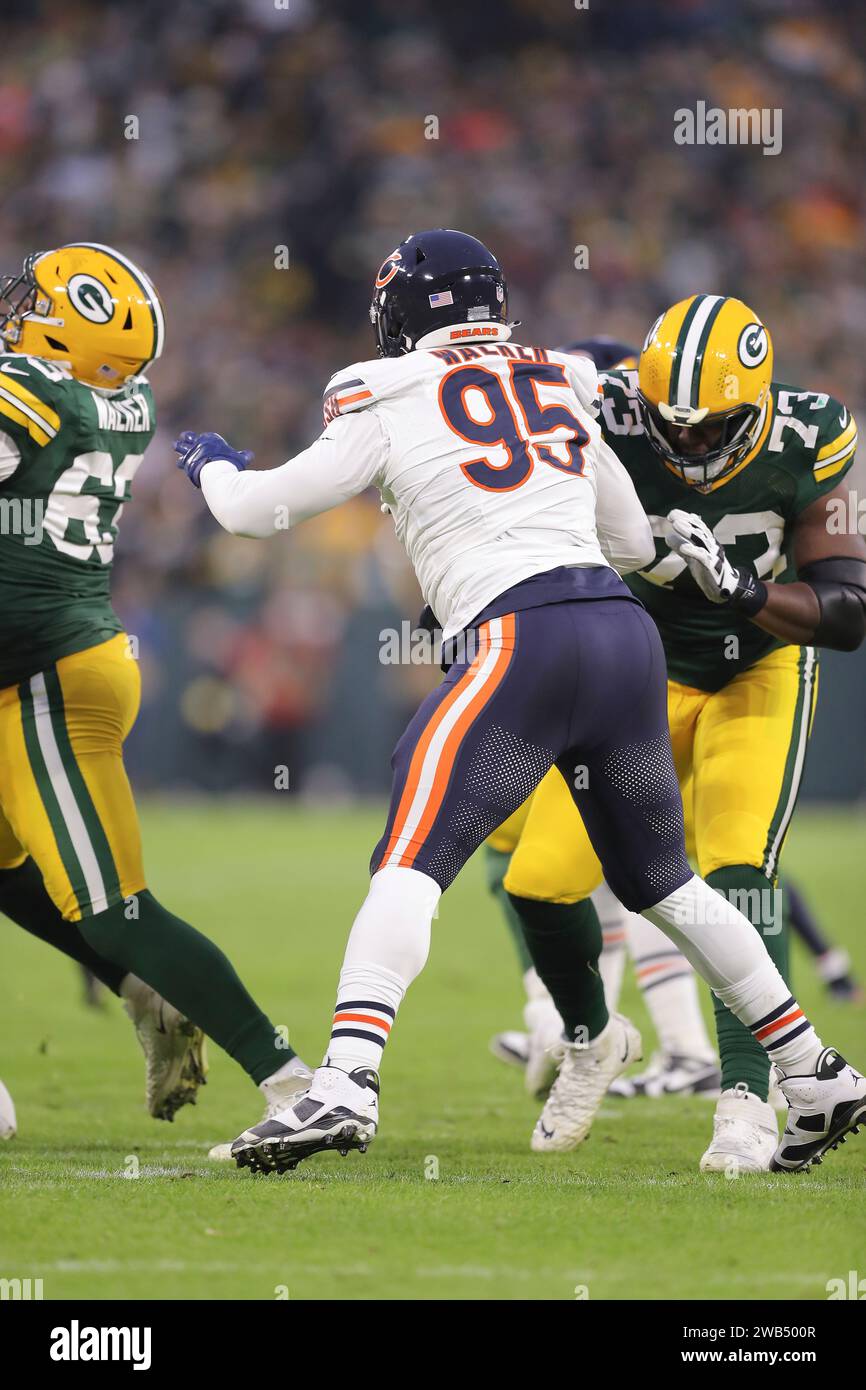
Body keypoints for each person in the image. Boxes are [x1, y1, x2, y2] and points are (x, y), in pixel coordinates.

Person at [176, 229, 865, 1176]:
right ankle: (812, 1066)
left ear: (404, 313)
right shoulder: (558, 379)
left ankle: (343, 1082)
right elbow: (627, 537)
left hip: (518, 639)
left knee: (410, 860)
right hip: (624, 637)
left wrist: (210, 461)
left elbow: (253, 511)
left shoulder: (380, 389)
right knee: (669, 886)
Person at [500, 296, 866, 1169]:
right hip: (639, 674)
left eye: (713, 430)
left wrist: (744, 592)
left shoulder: (807, 434)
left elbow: (847, 612)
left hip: (758, 667)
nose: (692, 445)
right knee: (539, 883)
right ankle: (594, 1040)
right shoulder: (611, 410)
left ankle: (749, 1100)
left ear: (756, 405)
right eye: (676, 426)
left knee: (740, 870)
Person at [0, 243, 309, 1128]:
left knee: (117, 910)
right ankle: (143, 989)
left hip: (44, 679)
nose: (18, 311)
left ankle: (292, 1080)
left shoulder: (29, 391)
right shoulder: (122, 399)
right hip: (50, 664)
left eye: (37, 302)